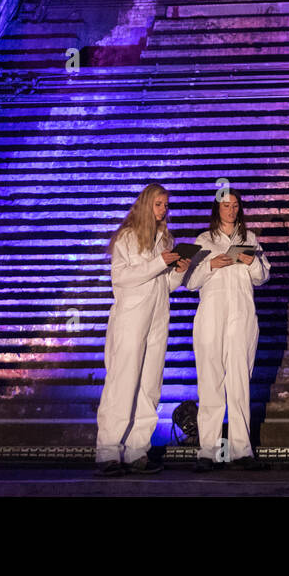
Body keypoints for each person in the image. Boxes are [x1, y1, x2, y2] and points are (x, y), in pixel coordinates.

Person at [95, 183, 190, 475]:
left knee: (150, 386)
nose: (163, 210)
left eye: (166, 205)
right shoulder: (127, 237)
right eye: (159, 204)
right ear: (146, 204)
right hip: (131, 318)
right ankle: (109, 451)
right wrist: (158, 263)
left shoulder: (165, 240)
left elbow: (165, 285)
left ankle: (138, 450)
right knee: (122, 384)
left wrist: (179, 271)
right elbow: (121, 278)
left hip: (158, 318)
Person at [186, 190, 271, 471]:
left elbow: (262, 277)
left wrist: (252, 262)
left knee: (239, 384)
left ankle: (241, 450)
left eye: (235, 206)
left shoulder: (250, 239)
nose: (231, 210)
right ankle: (207, 452)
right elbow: (189, 280)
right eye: (226, 206)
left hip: (242, 318)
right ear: (217, 208)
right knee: (210, 383)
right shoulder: (204, 240)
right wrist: (211, 264)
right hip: (211, 318)